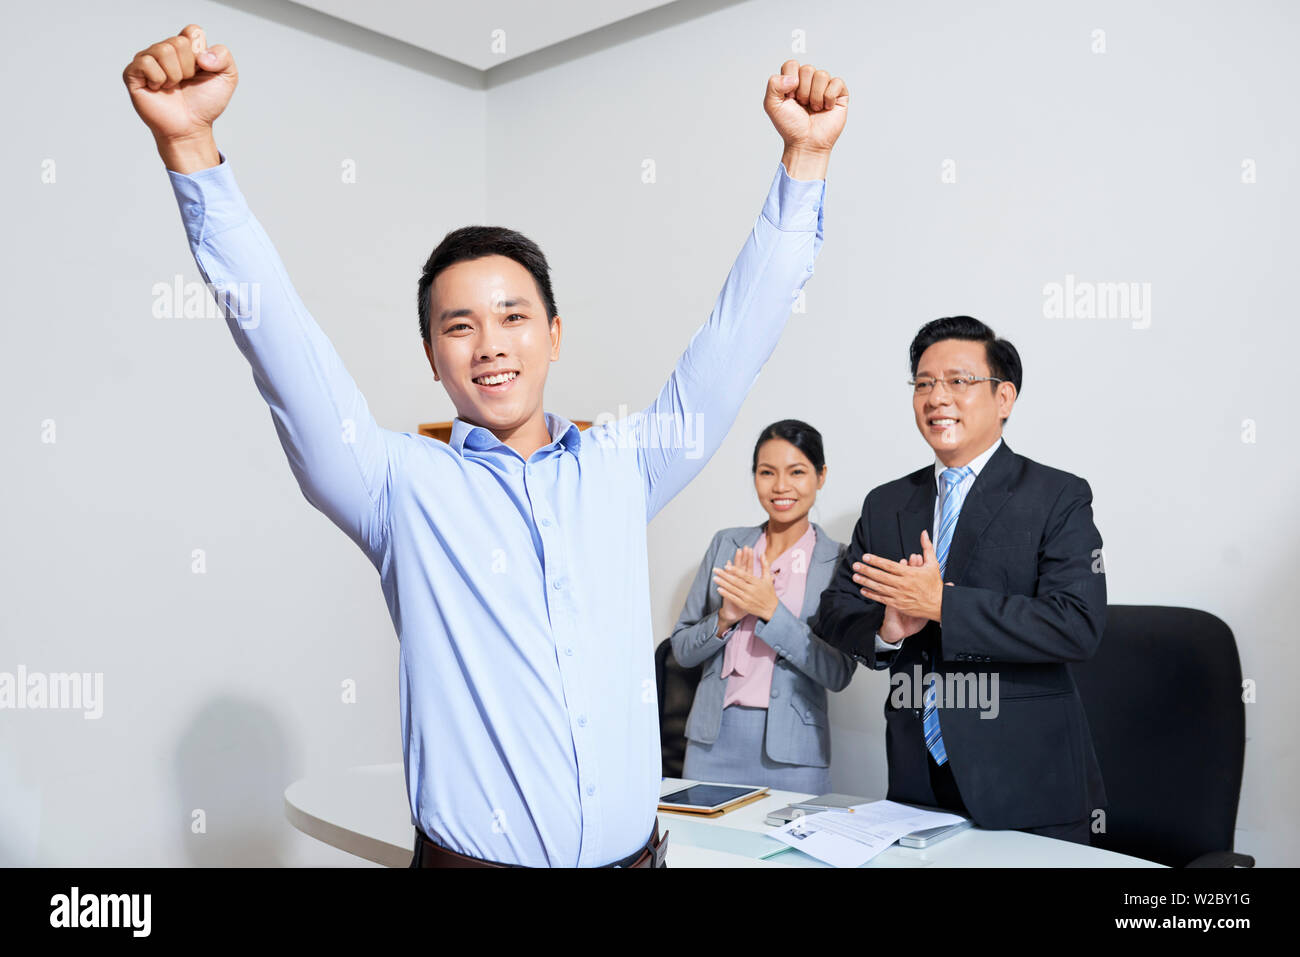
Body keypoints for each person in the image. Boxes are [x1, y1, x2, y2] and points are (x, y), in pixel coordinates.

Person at [123, 25, 849, 867]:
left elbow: (734, 342)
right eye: (459, 326)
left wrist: (802, 166)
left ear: (554, 333)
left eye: (513, 317)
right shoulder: (396, 484)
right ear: (434, 358)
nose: (491, 344)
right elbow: (280, 340)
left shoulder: (623, 466)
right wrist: (191, 146)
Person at [812, 316, 1107, 845]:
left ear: (1004, 397)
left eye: (958, 381)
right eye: (923, 383)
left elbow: (1077, 624)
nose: (936, 397)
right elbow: (834, 609)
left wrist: (942, 605)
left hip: (1027, 780)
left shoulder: (1057, 495)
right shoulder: (887, 503)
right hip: (916, 781)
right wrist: (888, 627)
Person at [668, 420, 855, 795]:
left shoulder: (838, 561)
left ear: (821, 477)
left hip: (795, 753)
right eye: (767, 472)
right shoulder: (725, 545)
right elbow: (682, 650)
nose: (781, 486)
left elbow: (839, 673)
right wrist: (725, 618)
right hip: (711, 744)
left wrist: (772, 611)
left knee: (789, 854)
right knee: (705, 852)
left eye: (797, 472)